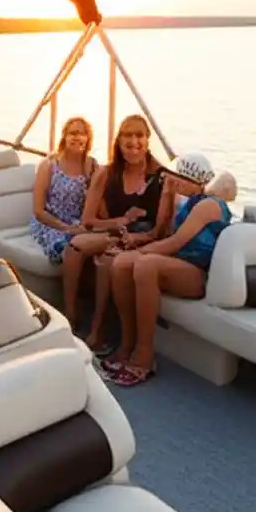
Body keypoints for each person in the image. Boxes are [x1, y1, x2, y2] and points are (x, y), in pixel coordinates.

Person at [102, 168, 238, 387]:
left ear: (195, 180)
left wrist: (139, 252)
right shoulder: (188, 202)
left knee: (145, 265)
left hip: (200, 273)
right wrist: (167, 195)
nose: (173, 180)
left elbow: (175, 243)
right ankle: (127, 345)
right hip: (178, 264)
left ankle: (144, 357)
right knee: (121, 264)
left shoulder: (209, 205)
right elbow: (162, 234)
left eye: (178, 177)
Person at [65, 114, 166, 346]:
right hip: (113, 231)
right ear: (118, 141)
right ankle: (69, 315)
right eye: (127, 135)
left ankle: (98, 327)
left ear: (147, 140)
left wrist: (138, 236)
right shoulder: (106, 173)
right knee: (74, 247)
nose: (133, 142)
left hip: (142, 238)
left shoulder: (159, 176)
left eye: (139, 135)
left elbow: (163, 226)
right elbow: (88, 221)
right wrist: (120, 221)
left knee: (107, 259)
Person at [29, 116, 98, 265]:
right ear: (65, 137)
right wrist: (66, 228)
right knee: (69, 248)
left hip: (79, 223)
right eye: (73, 133)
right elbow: (38, 211)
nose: (77, 137)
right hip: (50, 224)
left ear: (88, 139)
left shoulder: (92, 166)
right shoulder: (49, 165)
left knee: (101, 248)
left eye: (82, 134)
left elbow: (96, 202)